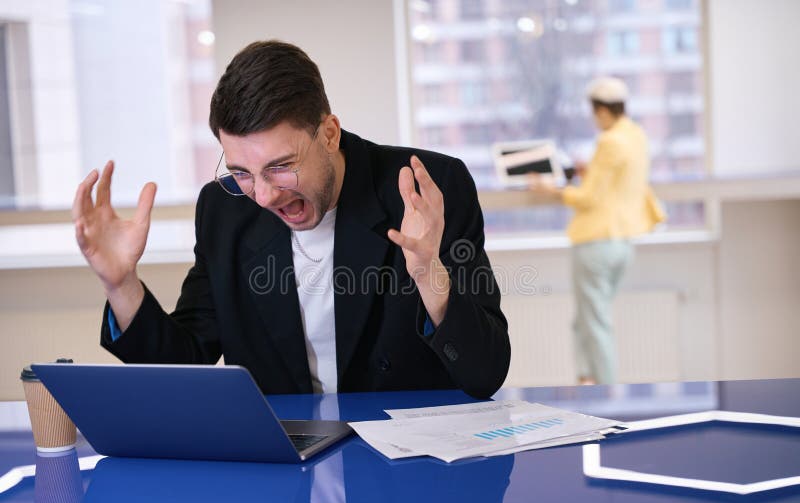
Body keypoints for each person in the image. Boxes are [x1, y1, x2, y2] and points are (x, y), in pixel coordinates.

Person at [72, 40, 510, 399]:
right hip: (286, 469)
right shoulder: (225, 210)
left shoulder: (427, 188)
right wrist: (120, 284)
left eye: (280, 166)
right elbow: (186, 364)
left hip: (408, 471)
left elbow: (485, 373)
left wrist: (428, 274)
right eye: (241, 172)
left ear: (329, 133)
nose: (263, 195)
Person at [532, 76, 665, 385]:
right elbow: (617, 183)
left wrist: (550, 189)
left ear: (602, 111)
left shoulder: (609, 141)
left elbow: (589, 198)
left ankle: (605, 390)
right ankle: (586, 382)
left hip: (596, 243)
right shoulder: (635, 135)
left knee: (595, 323)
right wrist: (589, 172)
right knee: (585, 322)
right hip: (622, 243)